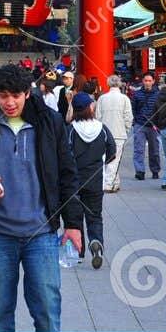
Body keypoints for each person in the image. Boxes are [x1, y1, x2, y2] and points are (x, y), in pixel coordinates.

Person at [0, 62, 84, 332]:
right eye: (3, 96)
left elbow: (67, 174)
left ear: (27, 93)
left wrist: (74, 225)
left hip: (40, 233)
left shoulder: (49, 122)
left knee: (47, 312)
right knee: (0, 315)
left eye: (16, 96)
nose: (9, 102)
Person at [67, 92, 115, 268]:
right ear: (89, 108)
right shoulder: (102, 128)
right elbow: (112, 150)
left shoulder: (71, 130)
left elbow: (65, 155)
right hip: (95, 180)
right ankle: (97, 242)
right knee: (95, 216)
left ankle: (79, 252)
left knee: (76, 217)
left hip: (75, 181)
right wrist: (101, 163)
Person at [96, 75, 135, 193]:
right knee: (115, 159)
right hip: (119, 132)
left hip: (104, 132)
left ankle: (115, 182)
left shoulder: (102, 98)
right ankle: (108, 184)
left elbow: (98, 116)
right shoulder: (124, 98)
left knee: (107, 158)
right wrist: (126, 130)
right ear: (119, 84)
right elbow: (128, 117)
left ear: (108, 84)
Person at [130, 71, 163, 180]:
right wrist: (134, 122)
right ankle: (140, 171)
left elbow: (161, 110)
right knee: (139, 149)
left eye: (149, 81)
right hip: (140, 124)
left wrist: (159, 124)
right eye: (145, 80)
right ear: (142, 81)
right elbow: (133, 109)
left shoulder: (158, 94)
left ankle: (155, 170)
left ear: (153, 81)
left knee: (154, 150)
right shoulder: (137, 94)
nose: (147, 83)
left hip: (153, 125)